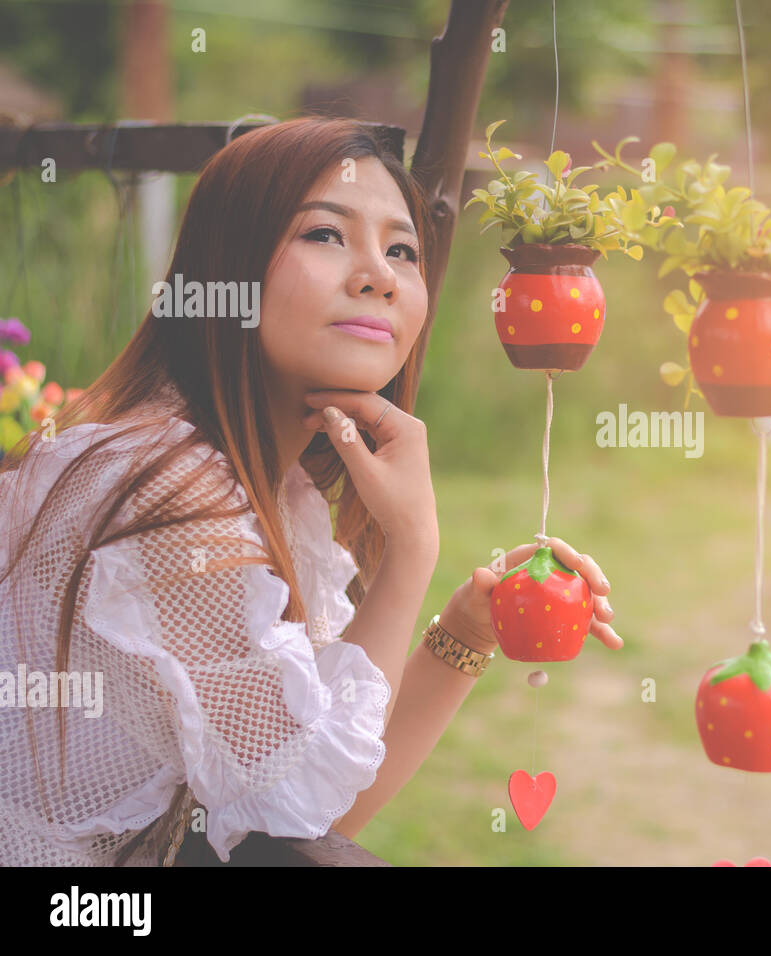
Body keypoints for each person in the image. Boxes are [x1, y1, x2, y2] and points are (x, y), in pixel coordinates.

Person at [0, 117, 622, 866]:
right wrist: (411, 551)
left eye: (402, 250)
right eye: (326, 235)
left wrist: (467, 631)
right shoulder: (163, 488)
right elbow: (292, 809)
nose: (379, 276)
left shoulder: (276, 496)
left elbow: (320, 802)